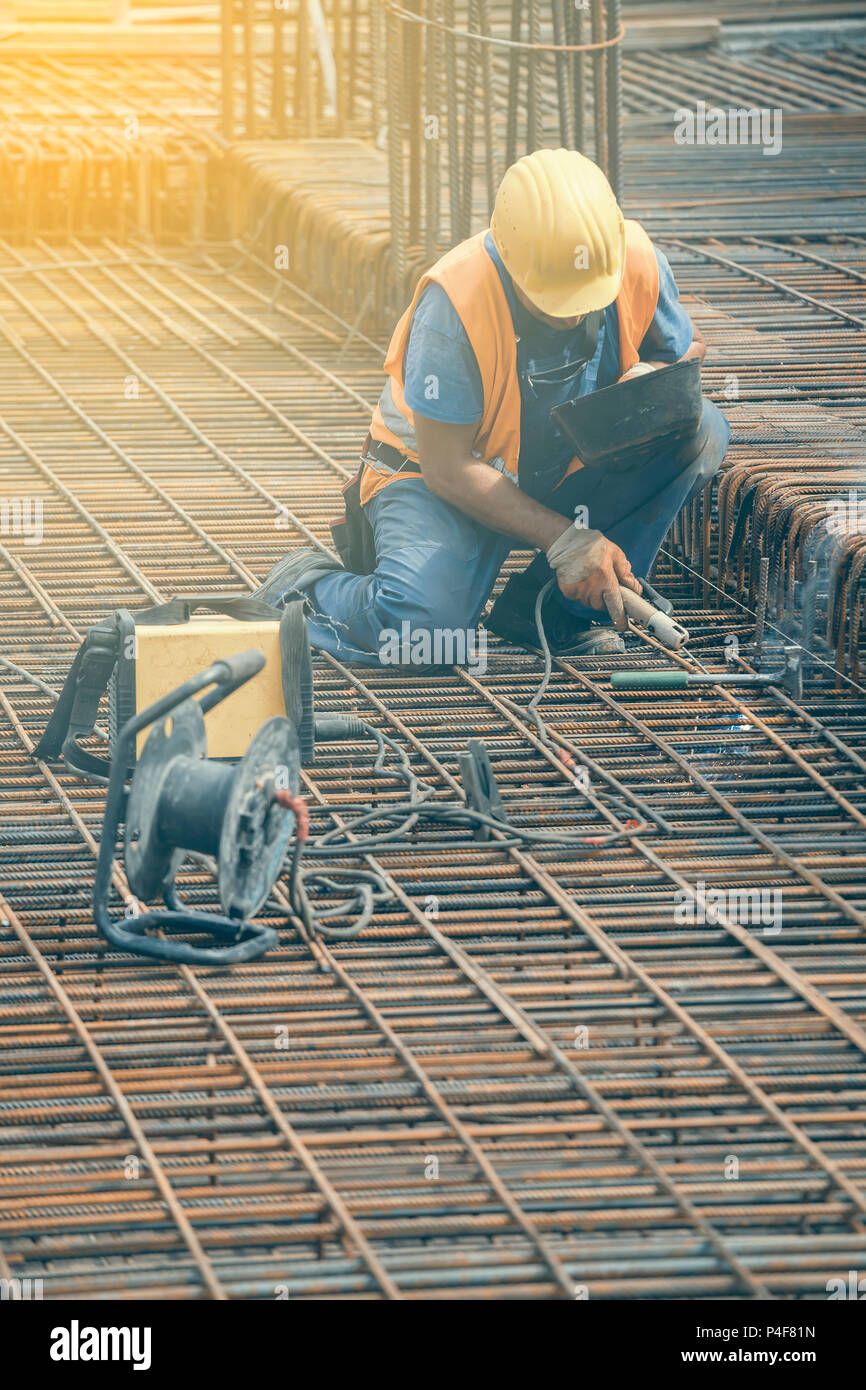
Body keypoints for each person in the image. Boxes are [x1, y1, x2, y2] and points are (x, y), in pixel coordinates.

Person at [258, 148, 730, 662]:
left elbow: (686, 346)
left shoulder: (627, 257)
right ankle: (304, 590)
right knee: (422, 633)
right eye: (554, 303)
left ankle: (550, 613)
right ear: (510, 260)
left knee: (698, 425)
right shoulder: (458, 300)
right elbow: (448, 467)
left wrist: (655, 378)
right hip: (438, 480)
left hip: (560, 466)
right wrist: (567, 541)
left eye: (585, 301)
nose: (573, 319)